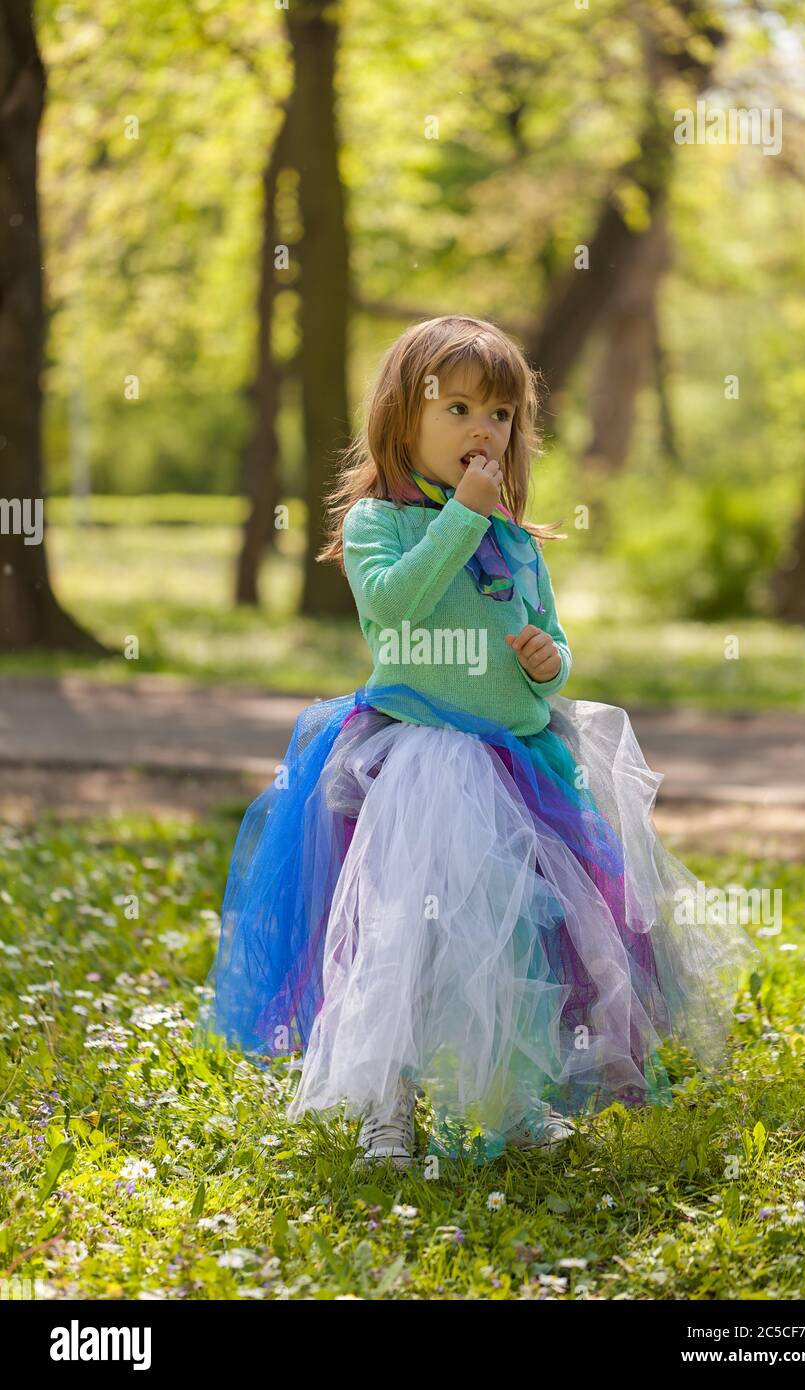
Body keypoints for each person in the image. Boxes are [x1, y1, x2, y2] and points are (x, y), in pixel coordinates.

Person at [193, 314, 763, 1169]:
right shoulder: (380, 524)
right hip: (418, 764)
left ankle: (515, 1096)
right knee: (408, 938)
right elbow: (394, 605)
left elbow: (548, 642)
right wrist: (461, 516)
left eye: (498, 415)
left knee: (519, 936)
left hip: (516, 763)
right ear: (402, 419)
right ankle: (387, 1107)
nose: (480, 429)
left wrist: (546, 662)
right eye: (456, 408)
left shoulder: (514, 542)